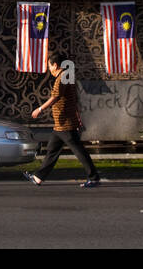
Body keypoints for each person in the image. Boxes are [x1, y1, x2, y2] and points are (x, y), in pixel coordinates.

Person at [26, 54, 100, 188]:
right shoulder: (67, 76)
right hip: (60, 124)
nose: (49, 69)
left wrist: (40, 109)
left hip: (65, 123)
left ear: (55, 65)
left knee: (78, 151)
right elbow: (73, 99)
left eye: (49, 66)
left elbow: (56, 97)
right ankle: (38, 177)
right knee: (52, 151)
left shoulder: (63, 77)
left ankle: (93, 177)